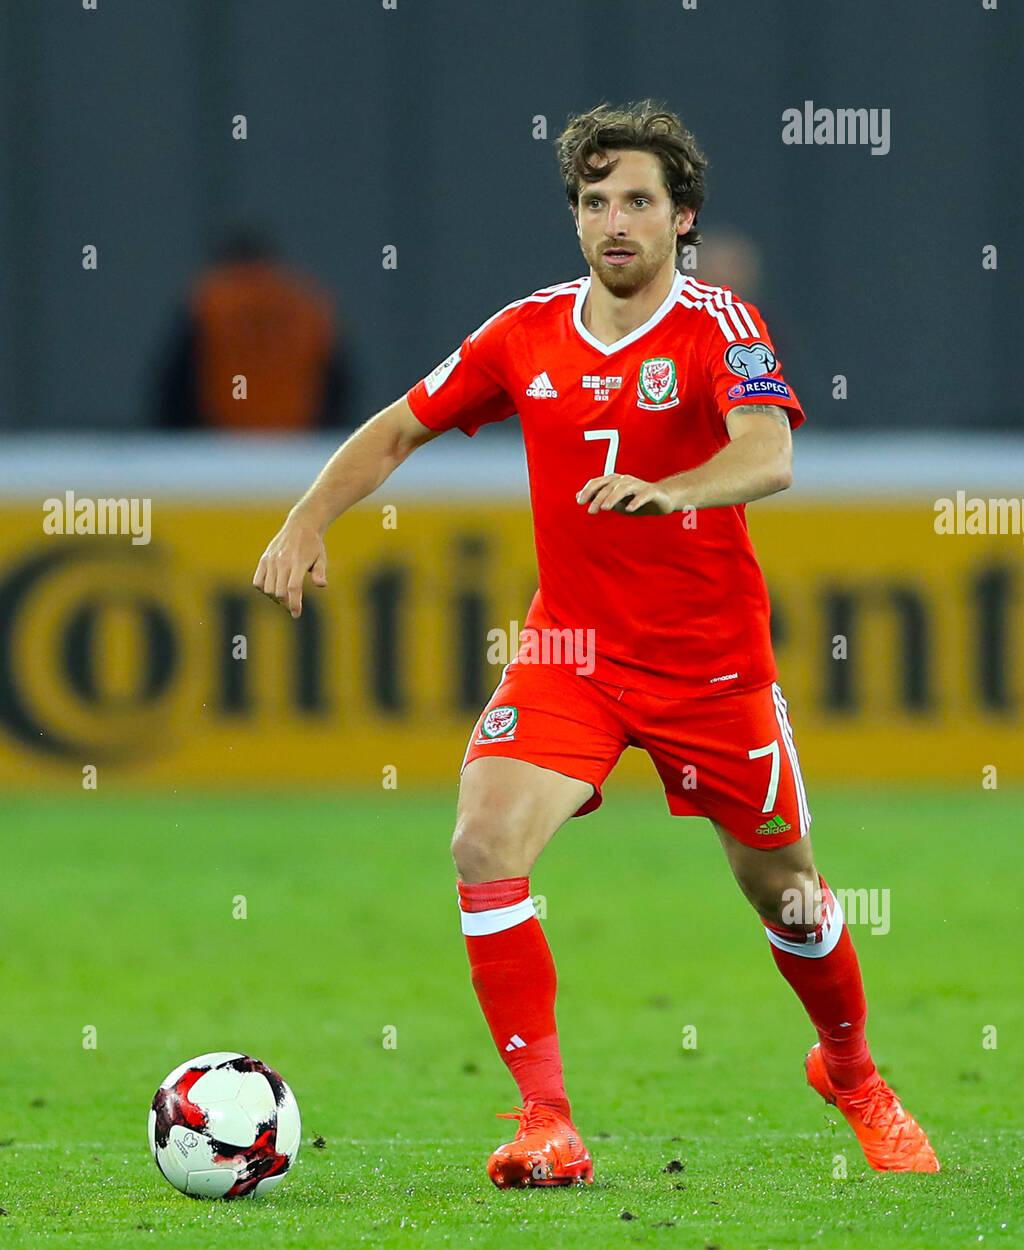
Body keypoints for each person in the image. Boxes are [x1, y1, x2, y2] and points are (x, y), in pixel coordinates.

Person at [253, 100, 939, 1187]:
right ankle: (545, 1120)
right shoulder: (524, 332)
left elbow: (768, 455)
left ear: (682, 219)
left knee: (788, 896)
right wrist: (304, 519)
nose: (613, 220)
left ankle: (852, 1075)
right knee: (481, 842)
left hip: (712, 670)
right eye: (593, 200)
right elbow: (395, 426)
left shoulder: (723, 326)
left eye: (636, 200)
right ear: (573, 217)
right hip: (569, 654)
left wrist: (668, 492)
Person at [156, 227, 350, 430]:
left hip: (224, 435)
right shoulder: (306, 300)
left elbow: (177, 379)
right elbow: (336, 377)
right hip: (296, 434)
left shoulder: (210, 300)